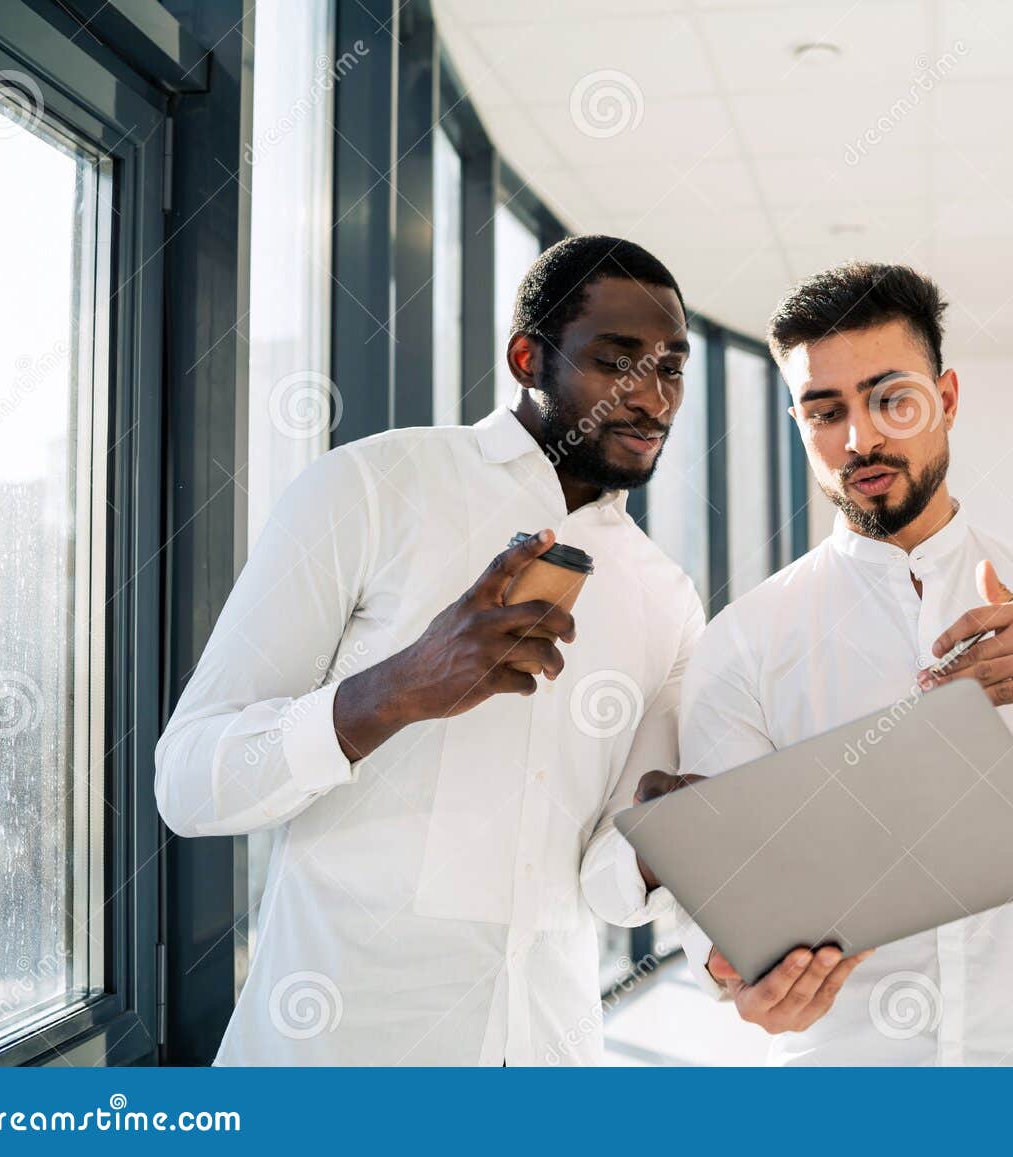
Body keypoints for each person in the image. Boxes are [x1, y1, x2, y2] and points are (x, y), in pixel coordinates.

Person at [656, 262, 1013, 1065]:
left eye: (890, 397)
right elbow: (727, 911)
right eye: (825, 411)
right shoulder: (742, 644)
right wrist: (744, 985)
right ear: (800, 423)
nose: (860, 437)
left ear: (949, 399)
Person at [155, 236, 703, 1065]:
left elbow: (606, 881)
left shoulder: (667, 595)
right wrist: (396, 690)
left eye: (671, 367)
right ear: (528, 356)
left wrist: (674, 837)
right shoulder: (370, 489)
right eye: (617, 359)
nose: (650, 396)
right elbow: (189, 783)